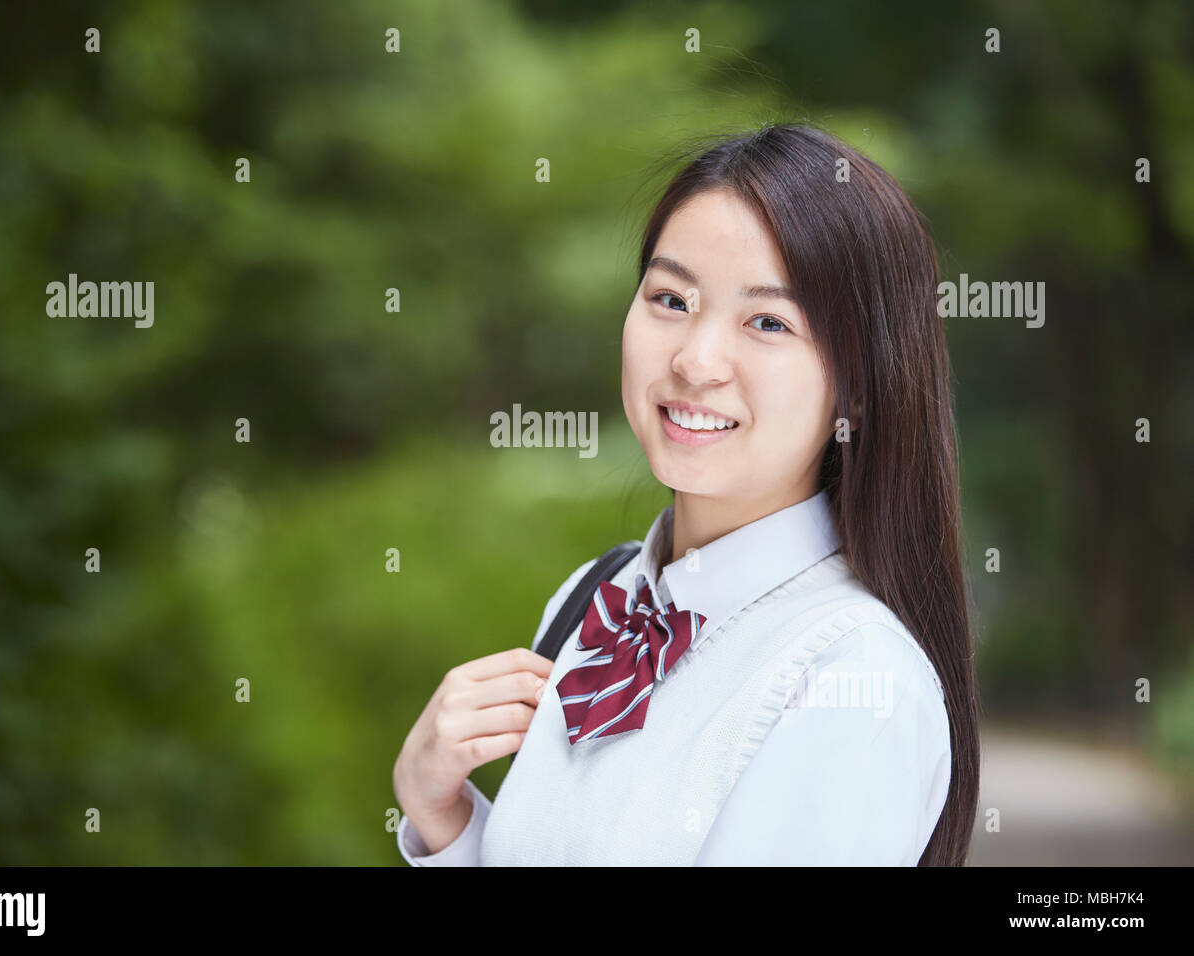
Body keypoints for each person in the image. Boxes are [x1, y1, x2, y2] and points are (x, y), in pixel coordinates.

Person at [391, 123, 980, 866]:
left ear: (859, 389)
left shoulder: (854, 679)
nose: (697, 361)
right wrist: (440, 816)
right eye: (671, 299)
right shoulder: (591, 598)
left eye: (768, 321)